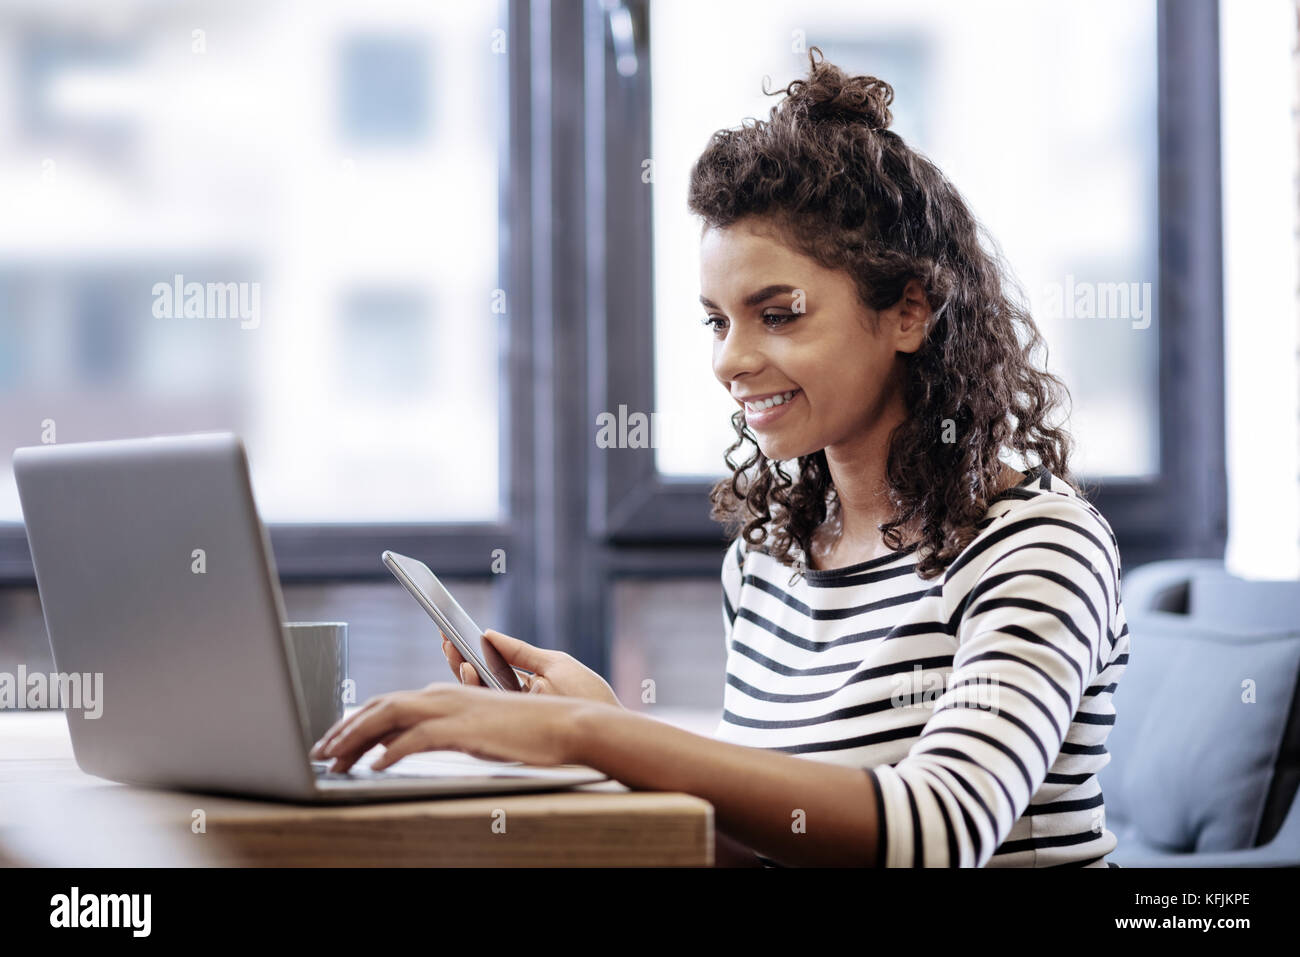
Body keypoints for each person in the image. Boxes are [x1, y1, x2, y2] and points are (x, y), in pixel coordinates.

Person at [311, 47, 1128, 868]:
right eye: (717, 321)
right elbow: (771, 847)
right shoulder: (767, 564)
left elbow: (939, 830)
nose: (729, 360)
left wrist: (590, 734)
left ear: (908, 311)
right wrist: (606, 748)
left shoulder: (1040, 546)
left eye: (777, 314)